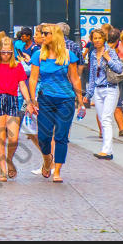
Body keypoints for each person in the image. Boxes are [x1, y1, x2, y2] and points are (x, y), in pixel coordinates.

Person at [27, 25, 83, 182]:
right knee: (43, 137)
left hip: (65, 100)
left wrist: (80, 100)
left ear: (55, 35)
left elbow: (74, 78)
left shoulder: (68, 55)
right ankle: (47, 159)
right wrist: (31, 100)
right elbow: (32, 78)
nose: (42, 36)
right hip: (45, 99)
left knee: (61, 136)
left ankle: (57, 171)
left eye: (46, 33)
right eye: (42, 33)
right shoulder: (38, 55)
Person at [0, 34, 32, 182]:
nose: (6, 55)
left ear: (12, 52)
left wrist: (28, 102)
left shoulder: (17, 66)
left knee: (14, 138)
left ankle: (9, 159)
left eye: (8, 52)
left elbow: (22, 84)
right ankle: (3, 169)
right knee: (1, 137)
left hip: (12, 100)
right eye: (3, 52)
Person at [83, 24, 123, 158]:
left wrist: (108, 58)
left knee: (107, 118)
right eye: (94, 38)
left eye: (99, 38)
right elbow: (92, 75)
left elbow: (119, 69)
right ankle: (107, 149)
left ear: (104, 39)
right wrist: (88, 94)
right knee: (103, 119)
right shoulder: (92, 54)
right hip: (98, 90)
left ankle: (107, 150)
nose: (96, 40)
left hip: (110, 89)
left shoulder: (111, 52)